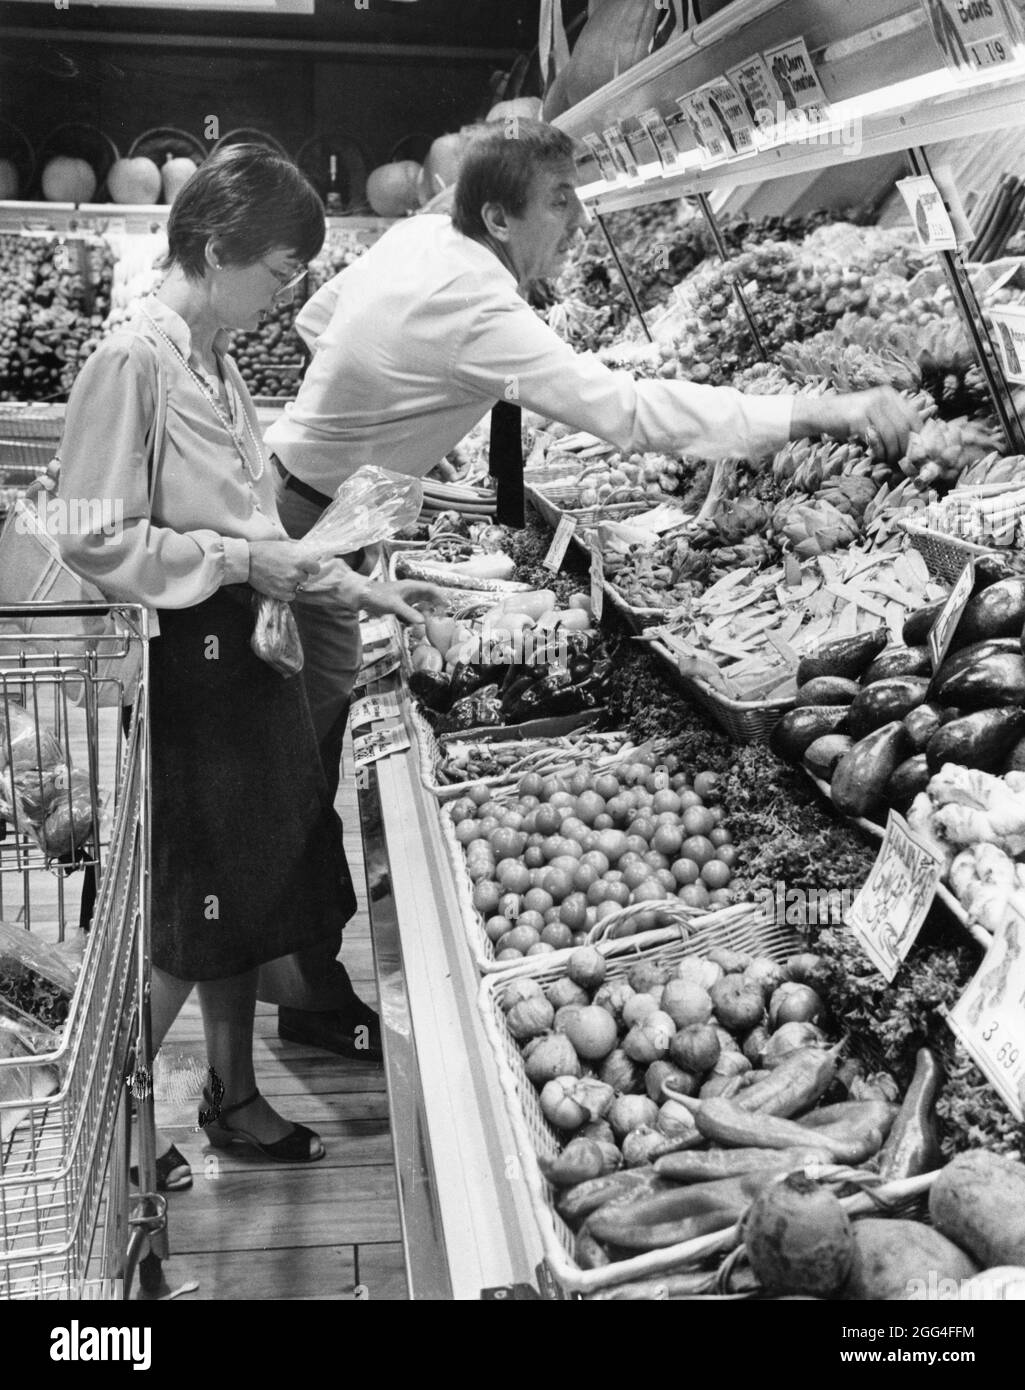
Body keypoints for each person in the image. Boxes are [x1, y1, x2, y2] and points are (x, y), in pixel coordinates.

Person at [262, 120, 923, 1049]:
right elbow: (627, 411)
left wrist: (398, 429)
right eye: (561, 203)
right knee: (296, 764)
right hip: (310, 529)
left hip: (320, 505)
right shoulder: (476, 302)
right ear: (497, 214)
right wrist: (818, 408)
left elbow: (316, 320)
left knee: (304, 755)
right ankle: (299, 988)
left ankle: (300, 980)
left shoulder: (424, 238)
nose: (578, 221)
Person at [54, 145, 435, 1192]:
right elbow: (88, 531)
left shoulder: (210, 358)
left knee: (250, 891)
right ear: (216, 249)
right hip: (189, 665)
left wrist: (343, 585)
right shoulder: (129, 360)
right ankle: (104, 1126)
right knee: (189, 915)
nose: (283, 298)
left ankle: (231, 1092)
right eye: (277, 271)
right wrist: (231, 561)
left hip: (247, 651)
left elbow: (252, 525)